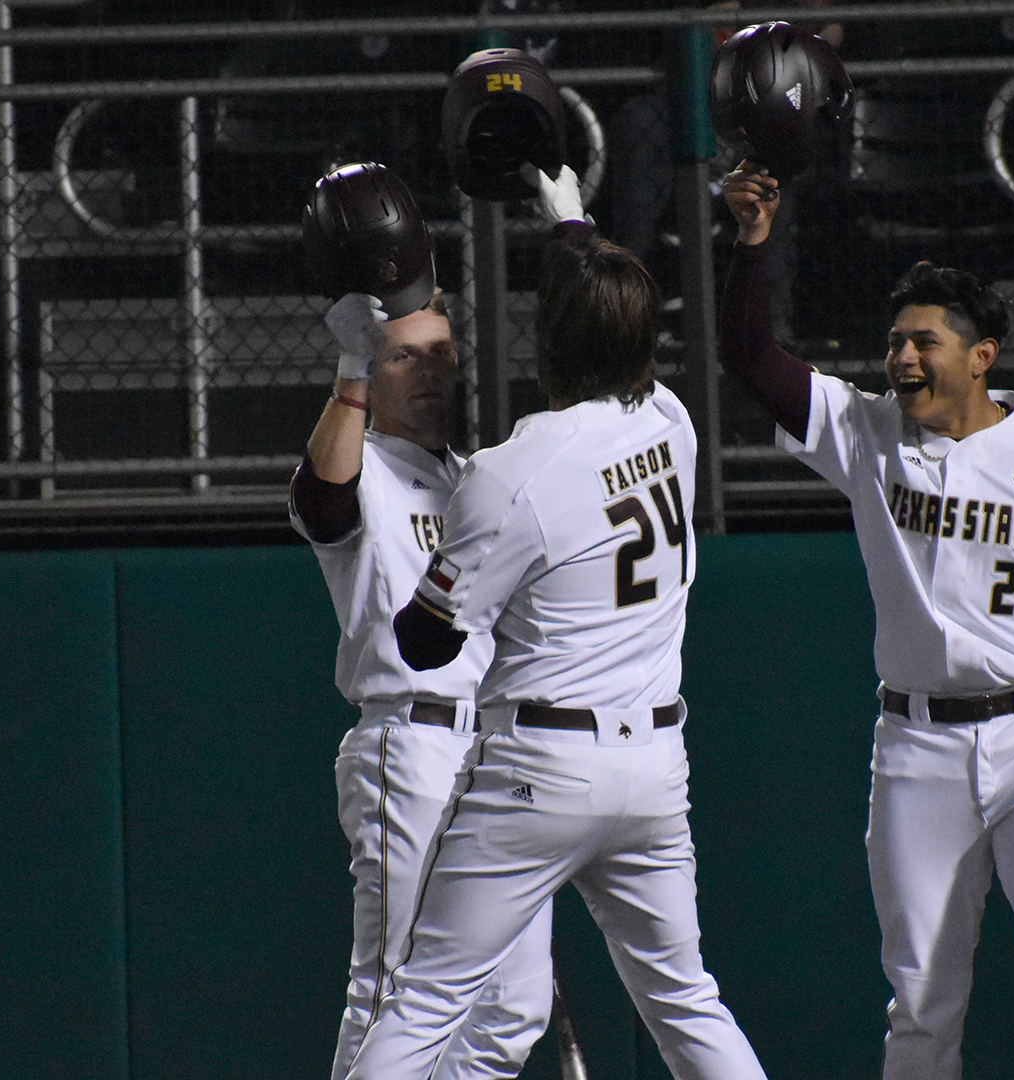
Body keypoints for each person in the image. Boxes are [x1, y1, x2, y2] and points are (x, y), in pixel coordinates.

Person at [718, 162, 1014, 1080]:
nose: (902, 358)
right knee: (921, 997)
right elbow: (752, 359)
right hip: (915, 744)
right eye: (895, 341)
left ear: (982, 357)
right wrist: (751, 244)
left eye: (924, 342)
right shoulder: (868, 433)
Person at [346, 165, 769, 1080]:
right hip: (653, 772)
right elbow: (604, 316)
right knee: (687, 1000)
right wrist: (572, 223)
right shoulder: (673, 423)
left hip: (541, 769)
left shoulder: (513, 469)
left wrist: (458, 571)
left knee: (425, 1000)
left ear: (548, 345)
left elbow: (425, 642)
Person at [290, 282, 554, 1079]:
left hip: (496, 753)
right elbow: (322, 501)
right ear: (376, 370)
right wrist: (350, 370)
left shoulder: (479, 478)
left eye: (439, 353)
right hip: (411, 742)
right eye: (404, 356)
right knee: (394, 992)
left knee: (513, 1006)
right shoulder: (362, 463)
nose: (428, 370)